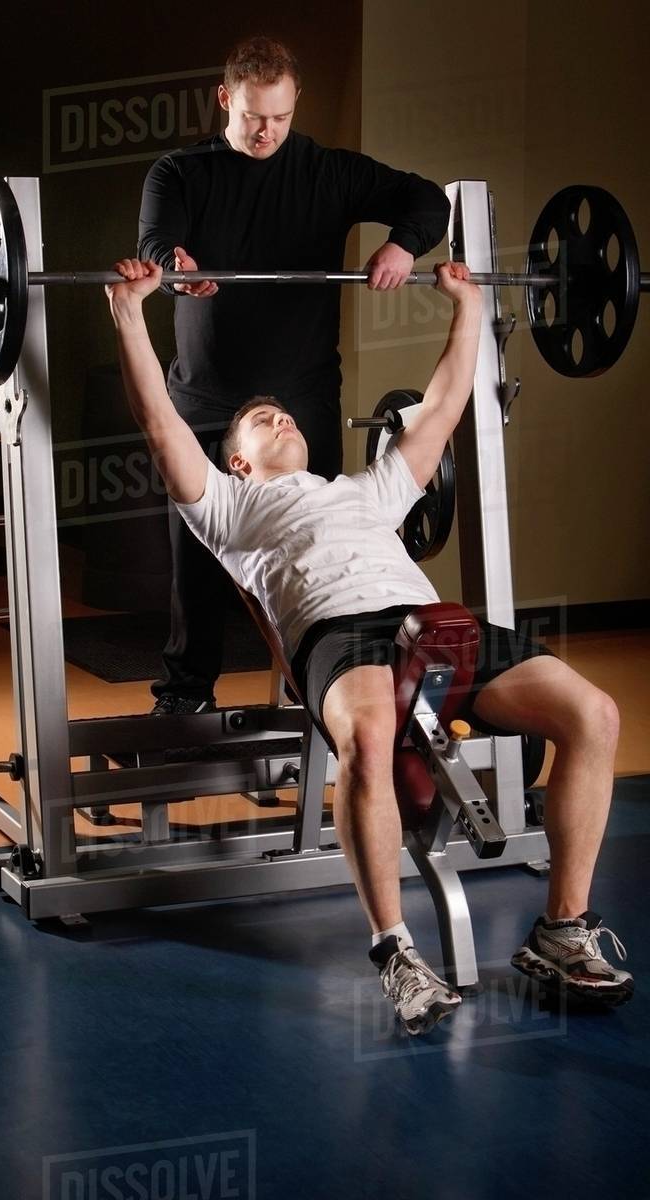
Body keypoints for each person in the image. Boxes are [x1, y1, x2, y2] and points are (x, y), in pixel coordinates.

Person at [104, 257, 634, 1036]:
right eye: (262, 421)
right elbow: (160, 424)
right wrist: (128, 313)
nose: (282, 420)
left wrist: (467, 305)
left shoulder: (366, 491)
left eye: (286, 415)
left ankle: (561, 929)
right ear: (237, 459)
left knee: (594, 714)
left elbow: (443, 408)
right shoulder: (226, 509)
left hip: (431, 625)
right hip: (337, 635)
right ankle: (396, 952)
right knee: (372, 733)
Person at [137, 35, 451, 716]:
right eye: (253, 116)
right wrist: (175, 269)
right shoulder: (179, 172)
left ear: (296, 102)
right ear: (225, 98)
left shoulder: (327, 172)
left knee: (313, 554)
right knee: (197, 569)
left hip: (300, 404)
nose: (266, 131)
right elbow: (155, 242)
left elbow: (428, 200)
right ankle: (185, 696)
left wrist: (402, 245)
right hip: (204, 398)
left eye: (279, 117)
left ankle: (309, 693)